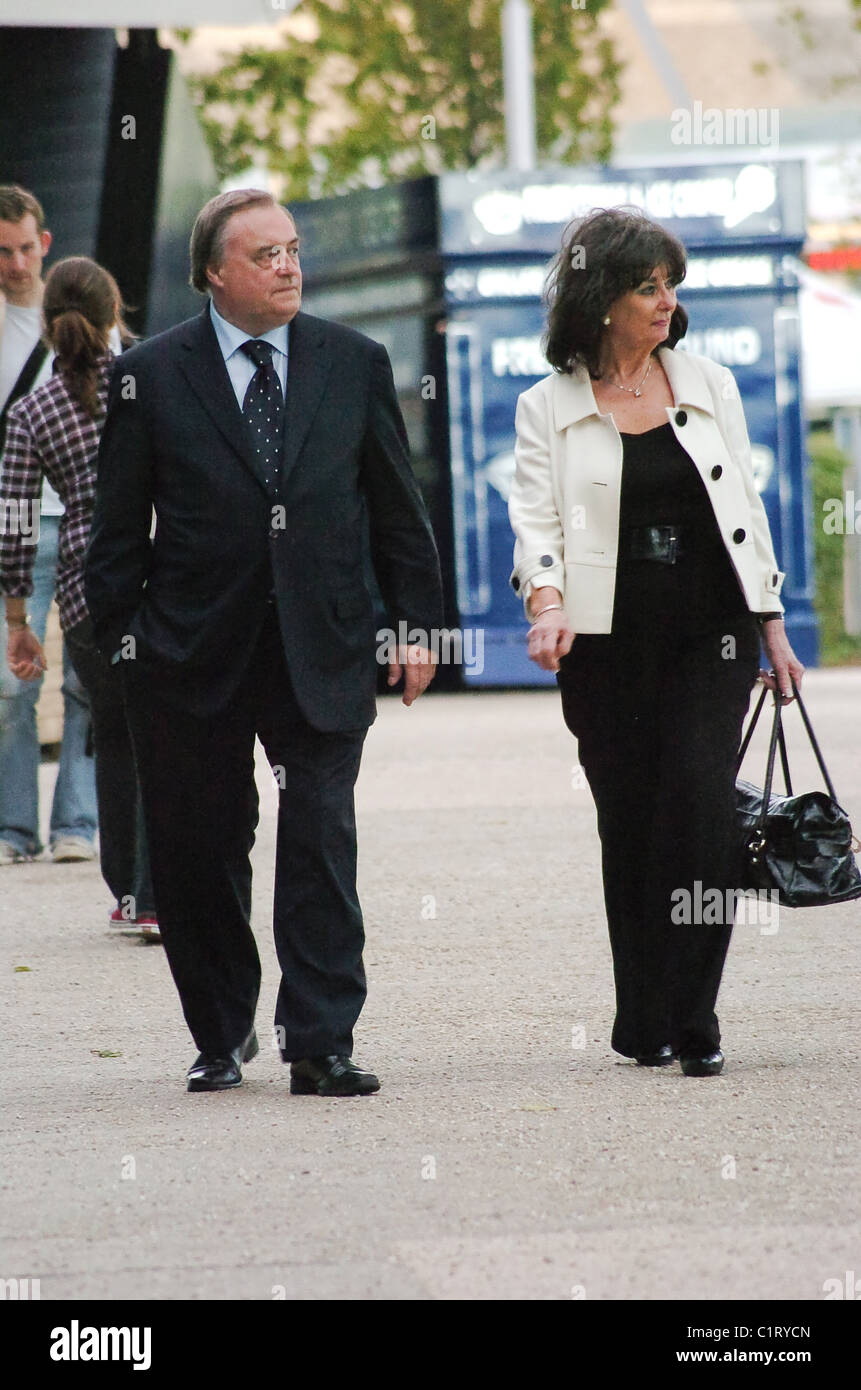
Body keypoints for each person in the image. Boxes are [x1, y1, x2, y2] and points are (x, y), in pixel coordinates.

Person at [85, 189, 444, 1095]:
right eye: (264, 255)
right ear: (213, 272)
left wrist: (414, 623)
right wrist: (125, 649)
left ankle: (321, 1041)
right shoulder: (151, 376)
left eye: (291, 251)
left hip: (319, 645)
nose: (288, 267)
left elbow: (397, 510)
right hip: (188, 656)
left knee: (320, 838)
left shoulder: (351, 362)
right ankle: (219, 1030)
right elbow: (116, 536)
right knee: (201, 849)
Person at [508, 207, 804, 1078]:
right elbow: (536, 520)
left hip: (709, 633)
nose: (666, 301)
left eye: (671, 285)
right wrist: (548, 603)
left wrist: (772, 627)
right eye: (648, 287)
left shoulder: (707, 382)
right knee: (630, 825)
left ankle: (695, 1014)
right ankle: (642, 1013)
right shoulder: (547, 405)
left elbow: (745, 510)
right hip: (604, 643)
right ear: (601, 300)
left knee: (699, 808)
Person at [0, 256, 157, 938]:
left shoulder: (33, 409)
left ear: (47, 322)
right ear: (114, 312)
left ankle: (128, 891)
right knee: (172, 739)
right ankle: (161, 892)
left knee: (113, 738)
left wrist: (17, 620)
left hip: (88, 590)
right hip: (169, 578)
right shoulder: (154, 377)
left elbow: (13, 519)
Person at [0, 184, 97, 865]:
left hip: (87, 521)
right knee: (13, 683)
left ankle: (77, 824)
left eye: (25, 248)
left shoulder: (88, 318)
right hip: (12, 521)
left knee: (86, 678)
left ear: (46, 244)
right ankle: (12, 828)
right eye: (2, 252)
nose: (15, 263)